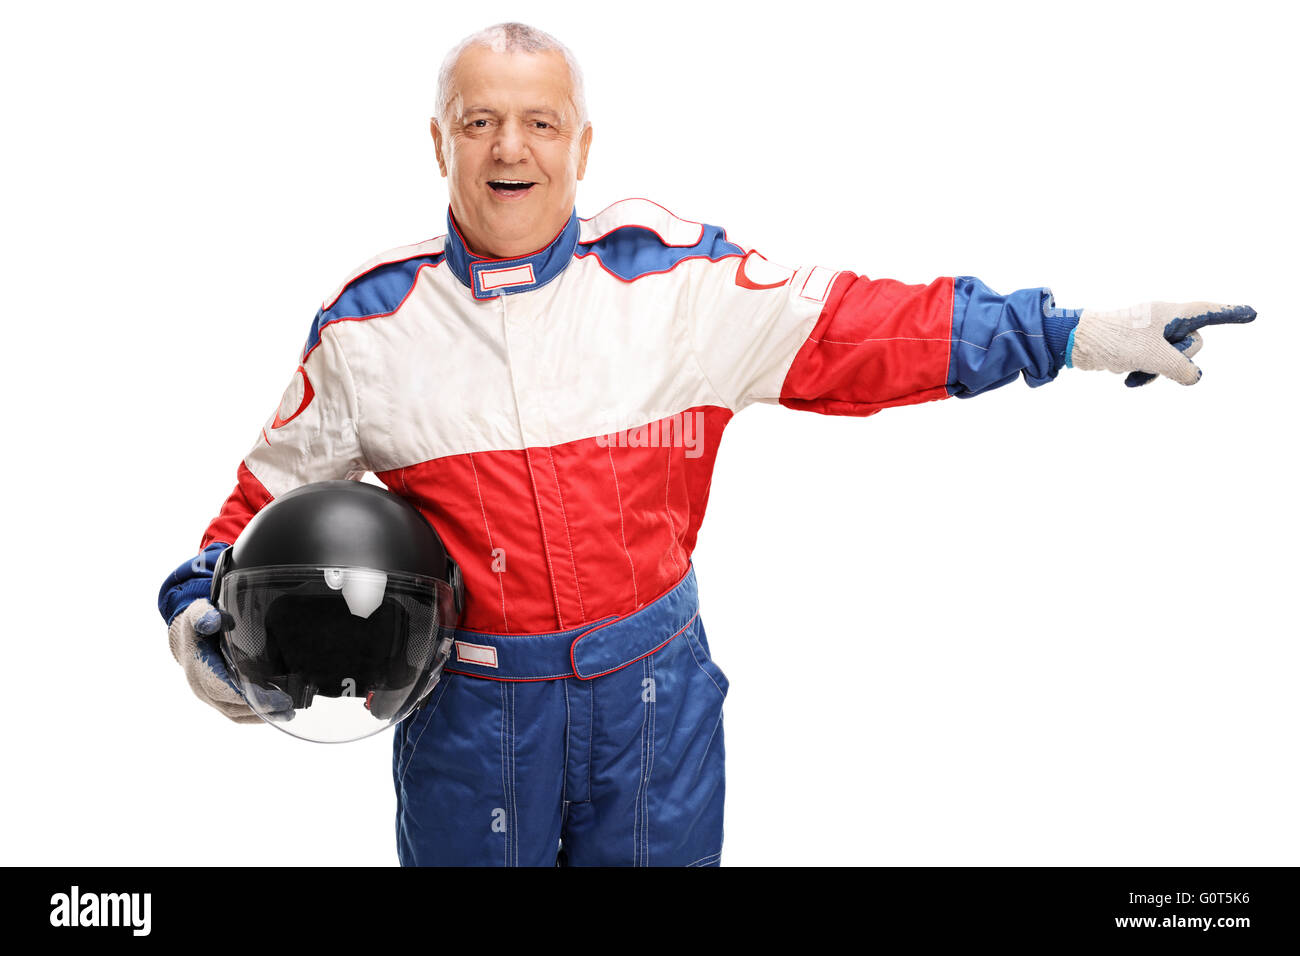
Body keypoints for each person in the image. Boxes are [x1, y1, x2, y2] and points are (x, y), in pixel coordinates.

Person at [157, 22, 1256, 866]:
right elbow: (251, 515)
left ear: (580, 143)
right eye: (480, 120)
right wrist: (199, 618)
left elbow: (875, 329)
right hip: (471, 718)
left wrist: (1071, 333)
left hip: (653, 706)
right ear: (438, 141)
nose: (510, 148)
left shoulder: (678, 285)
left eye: (540, 122)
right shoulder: (366, 326)